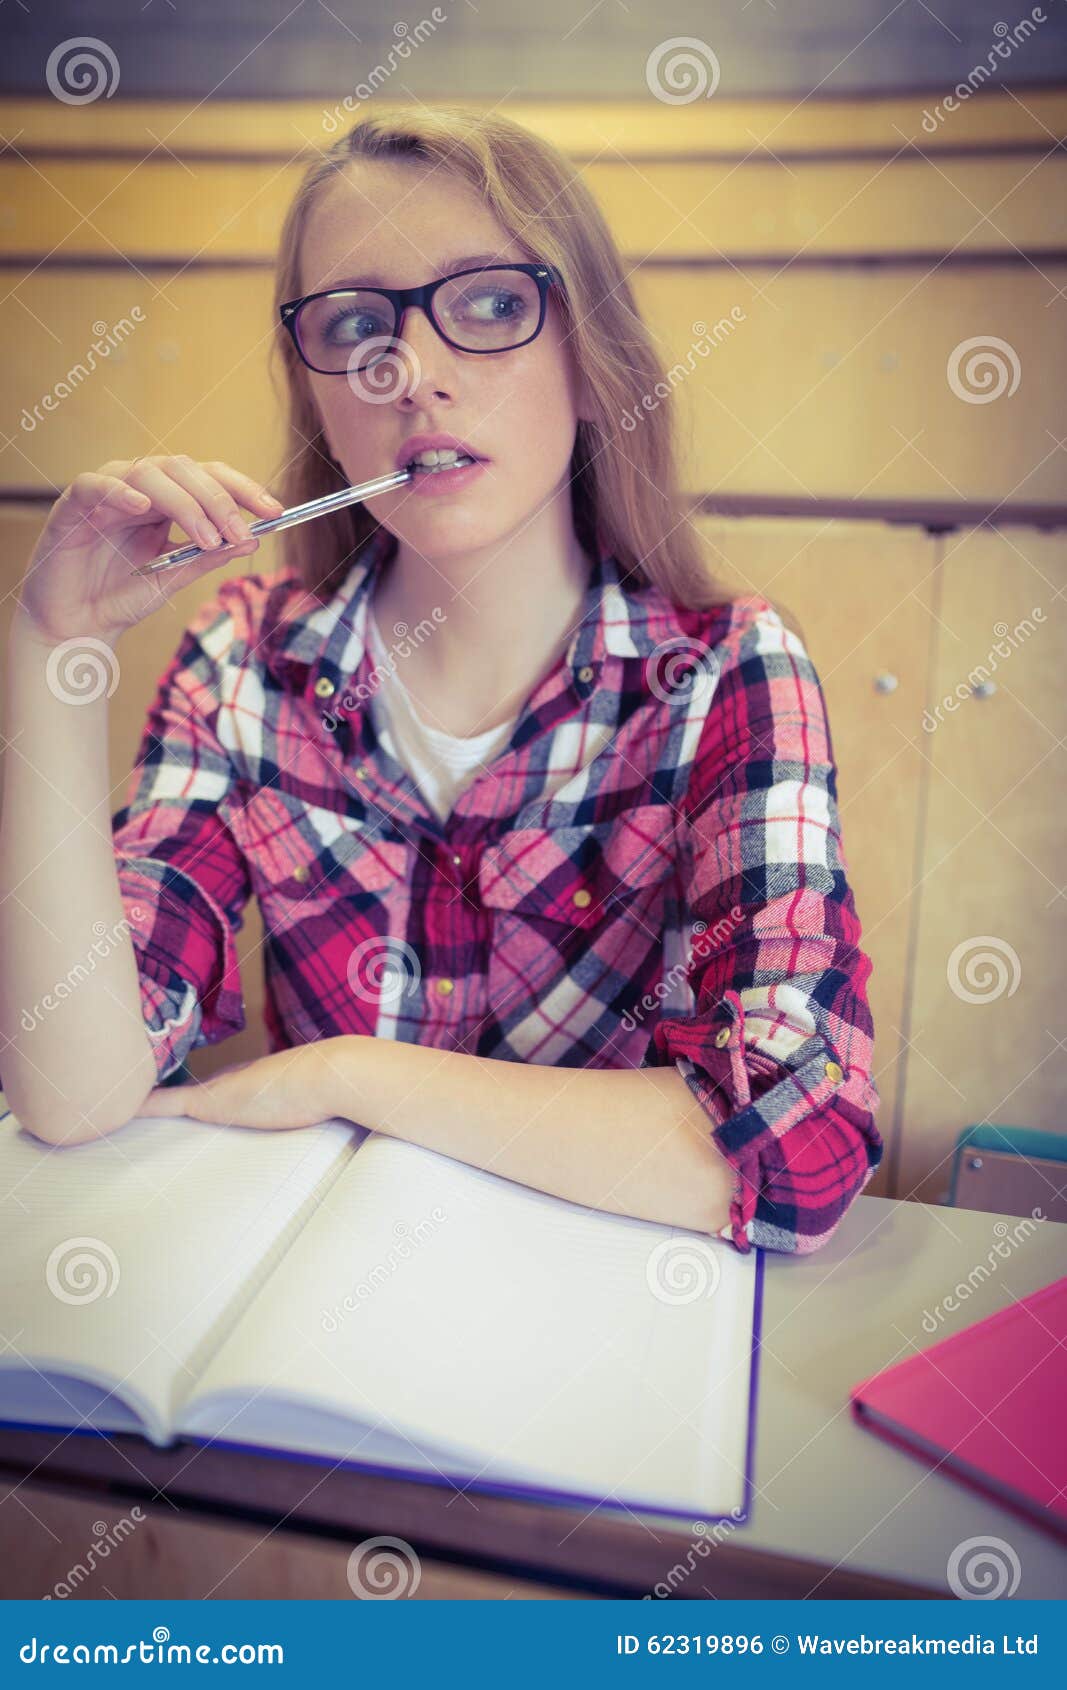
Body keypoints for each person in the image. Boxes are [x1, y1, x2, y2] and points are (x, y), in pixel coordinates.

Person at [0, 105, 882, 1253]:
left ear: (588, 357)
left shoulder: (721, 674)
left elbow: (797, 1147)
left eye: (488, 304)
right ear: (318, 391)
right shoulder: (244, 665)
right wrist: (52, 647)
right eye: (357, 323)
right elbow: (72, 1093)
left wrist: (350, 1076)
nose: (409, 373)